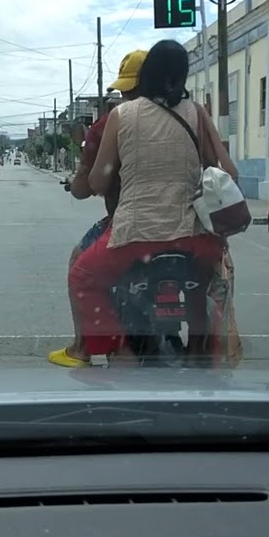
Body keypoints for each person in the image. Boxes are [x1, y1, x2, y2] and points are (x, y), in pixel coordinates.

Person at [67, 39, 238, 366]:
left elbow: (99, 181)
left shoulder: (122, 115)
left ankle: (120, 350)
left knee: (82, 276)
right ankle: (207, 354)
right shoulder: (197, 114)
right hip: (193, 236)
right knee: (211, 283)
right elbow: (228, 171)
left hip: (133, 236)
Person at [48, 49, 147, 368]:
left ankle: (84, 347)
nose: (125, 95)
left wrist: (82, 182)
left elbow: (86, 187)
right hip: (188, 225)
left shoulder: (109, 123)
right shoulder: (188, 115)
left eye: (126, 89)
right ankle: (209, 349)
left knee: (80, 262)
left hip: (127, 223)